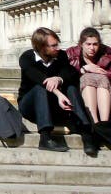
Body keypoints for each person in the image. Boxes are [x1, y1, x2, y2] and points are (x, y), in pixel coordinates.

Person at [18, 27, 98, 155]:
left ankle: (86, 133)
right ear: (42, 48)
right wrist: (59, 94)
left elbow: (71, 73)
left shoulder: (61, 55)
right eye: (53, 45)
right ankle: (45, 138)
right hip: (30, 106)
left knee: (71, 87)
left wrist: (59, 78)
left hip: (55, 106)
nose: (58, 48)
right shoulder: (27, 58)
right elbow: (40, 79)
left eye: (57, 44)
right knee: (40, 88)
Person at [66, 27, 111, 124]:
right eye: (88, 44)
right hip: (80, 89)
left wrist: (102, 72)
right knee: (87, 77)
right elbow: (67, 75)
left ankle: (104, 124)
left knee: (102, 78)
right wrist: (84, 69)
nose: (92, 48)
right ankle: (95, 123)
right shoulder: (71, 54)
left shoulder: (107, 53)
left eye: (95, 44)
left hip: (104, 88)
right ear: (81, 44)